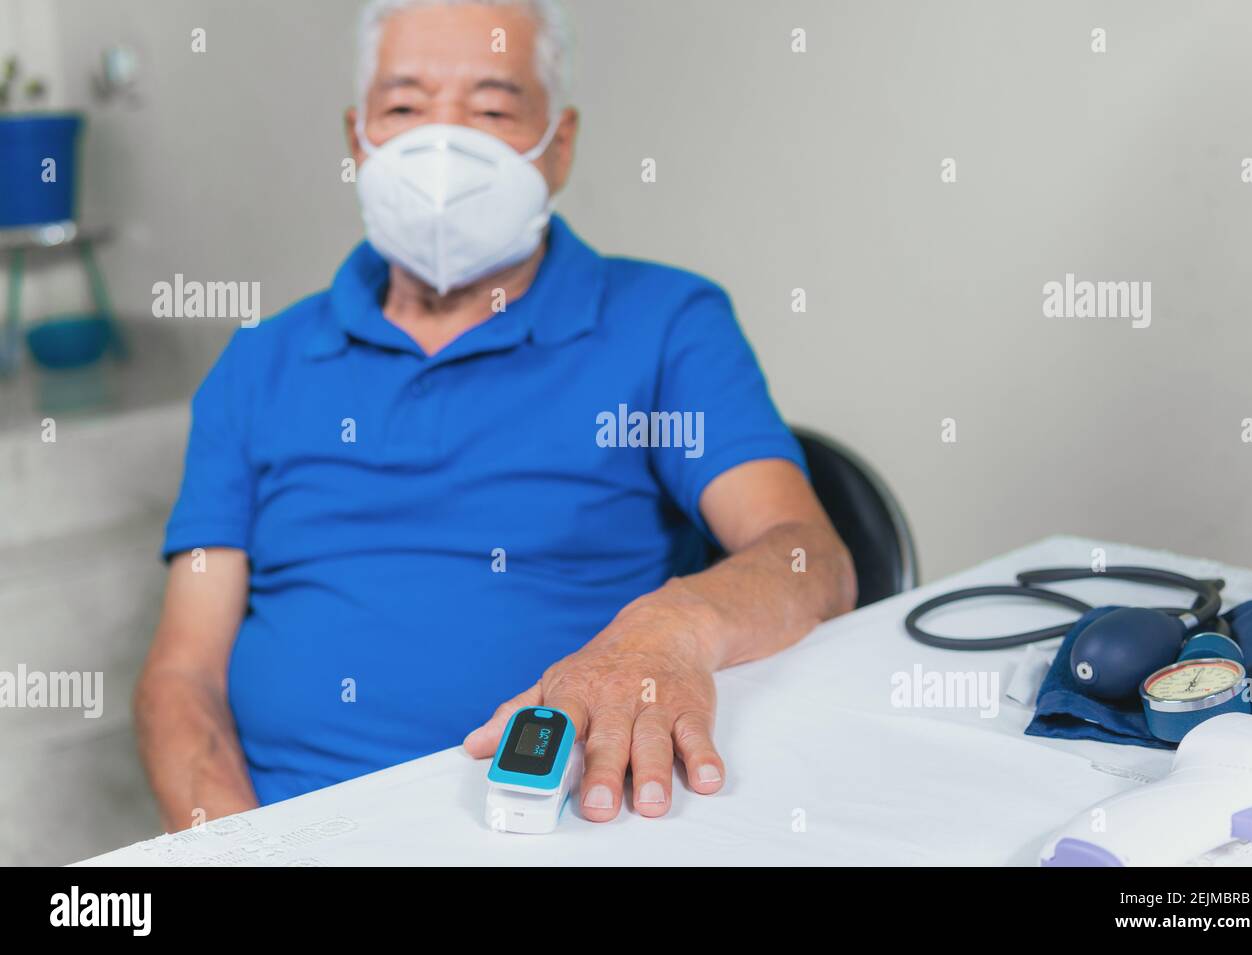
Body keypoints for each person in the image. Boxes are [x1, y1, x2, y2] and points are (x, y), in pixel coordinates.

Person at [134, 0, 855, 831]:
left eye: (490, 109)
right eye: (404, 108)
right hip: (291, 830)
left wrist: (667, 631)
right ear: (356, 137)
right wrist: (240, 851)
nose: (443, 147)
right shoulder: (258, 364)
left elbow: (812, 562)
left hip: (565, 825)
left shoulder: (666, 323)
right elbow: (180, 677)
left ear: (562, 143)